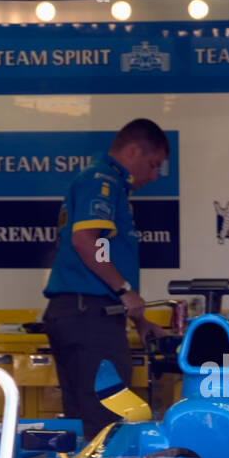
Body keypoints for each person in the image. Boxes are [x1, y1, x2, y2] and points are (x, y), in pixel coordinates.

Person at [42, 118, 168, 439]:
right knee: (105, 423)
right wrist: (124, 290)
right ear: (133, 150)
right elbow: (86, 241)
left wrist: (140, 321)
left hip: (84, 314)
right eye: (153, 165)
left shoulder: (104, 185)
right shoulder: (103, 181)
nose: (154, 177)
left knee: (85, 424)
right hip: (89, 319)